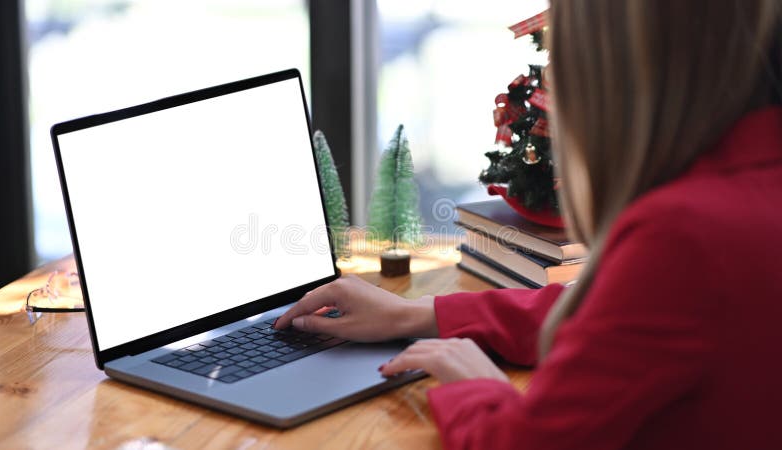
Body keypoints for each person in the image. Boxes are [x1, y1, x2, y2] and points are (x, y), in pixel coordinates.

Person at [276, 1, 782, 448]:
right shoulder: (748, 188)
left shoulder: (685, 235)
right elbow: (611, 313)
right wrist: (417, 315)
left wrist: (477, 387)